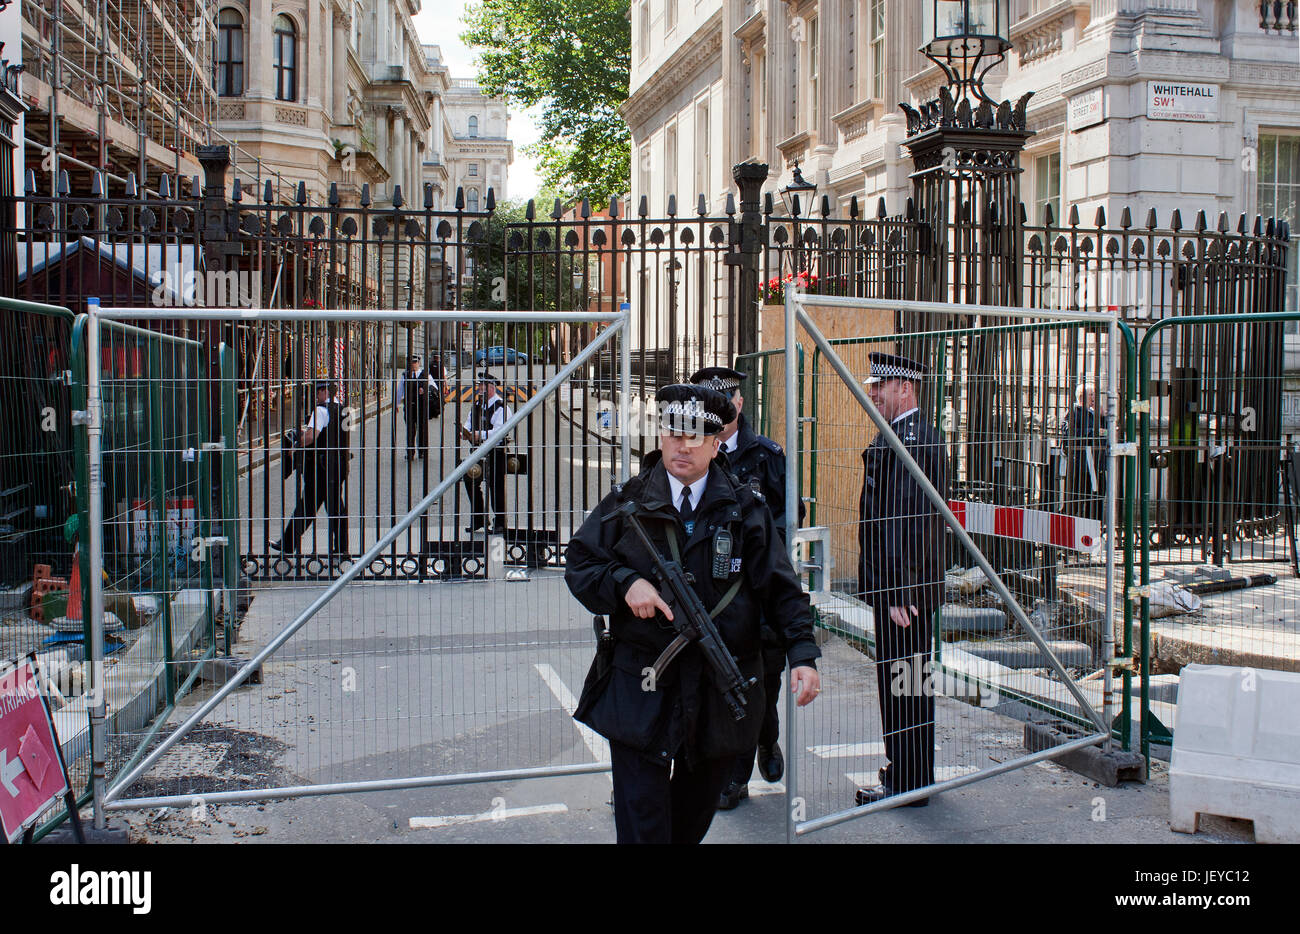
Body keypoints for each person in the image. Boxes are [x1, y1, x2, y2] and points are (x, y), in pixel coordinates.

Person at [566, 383, 822, 844]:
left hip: (717, 697)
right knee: (643, 828)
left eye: (695, 436)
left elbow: (781, 590)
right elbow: (581, 564)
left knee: (689, 824)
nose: (682, 446)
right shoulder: (629, 502)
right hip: (641, 690)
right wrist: (626, 584)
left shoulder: (746, 510)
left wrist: (803, 653)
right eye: (673, 433)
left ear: (717, 442)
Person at [689, 365, 794, 811]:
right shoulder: (693, 451)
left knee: (764, 686)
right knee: (727, 686)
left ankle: (766, 736)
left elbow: (791, 519)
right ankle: (734, 778)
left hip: (759, 594)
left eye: (726, 401)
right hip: (714, 594)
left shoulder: (766, 455)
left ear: (739, 403)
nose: (721, 410)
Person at [855, 352, 948, 808]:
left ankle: (907, 782)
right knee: (905, 682)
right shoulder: (901, 435)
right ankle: (911, 776)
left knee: (905, 683)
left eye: (881, 386)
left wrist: (899, 591)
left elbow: (909, 525)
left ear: (905, 389)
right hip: (900, 588)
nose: (872, 393)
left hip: (904, 593)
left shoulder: (913, 441)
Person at [271, 379, 350, 556]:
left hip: (321, 468)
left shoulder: (321, 411)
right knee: (336, 507)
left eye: (317, 392)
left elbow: (312, 437)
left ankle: (288, 544)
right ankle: (342, 548)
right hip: (339, 465)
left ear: (326, 392)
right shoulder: (344, 409)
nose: (315, 396)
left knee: (307, 506)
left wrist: (296, 445)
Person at [460, 370, 511, 534]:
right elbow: (469, 422)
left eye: (483, 385)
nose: (479, 388)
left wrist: (479, 434)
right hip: (477, 450)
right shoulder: (476, 405)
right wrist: (465, 431)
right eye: (479, 385)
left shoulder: (502, 407)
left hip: (496, 451)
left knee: (496, 485)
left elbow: (500, 432)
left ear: (492, 388)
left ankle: (500, 522)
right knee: (470, 480)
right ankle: (479, 518)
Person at [1063, 382, 1105, 522]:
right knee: (1079, 497)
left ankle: (1094, 527)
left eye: (1094, 394)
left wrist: (1103, 417)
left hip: (1096, 462)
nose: (1094, 397)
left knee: (1097, 496)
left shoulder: (1095, 413)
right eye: (1091, 394)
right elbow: (1069, 433)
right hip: (1082, 464)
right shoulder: (1074, 411)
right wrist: (1093, 432)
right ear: (1082, 396)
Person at [397, 354, 438, 460]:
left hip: (422, 406)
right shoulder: (405, 375)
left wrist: (426, 389)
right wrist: (396, 403)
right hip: (410, 406)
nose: (413, 365)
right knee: (410, 430)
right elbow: (400, 390)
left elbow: (434, 388)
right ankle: (410, 452)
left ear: (419, 363)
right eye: (411, 363)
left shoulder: (425, 375)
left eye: (415, 363)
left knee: (422, 429)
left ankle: (422, 451)